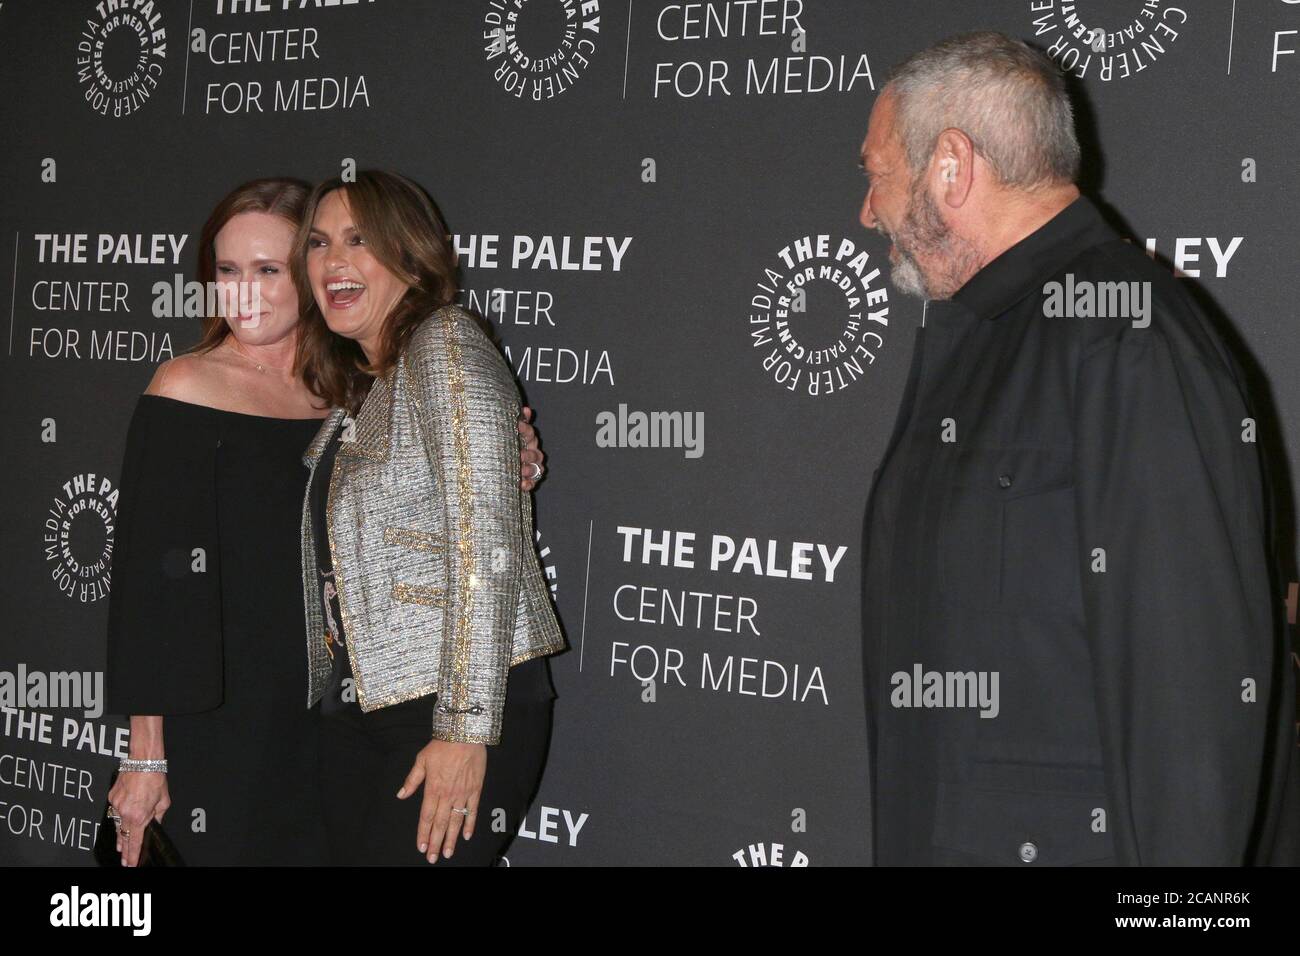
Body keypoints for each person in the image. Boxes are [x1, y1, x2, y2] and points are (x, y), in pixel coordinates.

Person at [856, 31, 1300, 865]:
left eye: (876, 174)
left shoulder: (1125, 338)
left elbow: (1191, 709)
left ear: (951, 167)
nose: (867, 211)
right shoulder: (995, 334)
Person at [104, 178, 548, 866]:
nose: (243, 292)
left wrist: (507, 451)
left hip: (340, 712)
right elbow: (150, 590)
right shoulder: (186, 386)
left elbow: (471, 516)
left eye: (268, 269)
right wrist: (147, 755)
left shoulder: (349, 388)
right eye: (226, 271)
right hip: (227, 711)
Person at [294, 170, 566, 866]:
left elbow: (488, 540)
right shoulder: (368, 384)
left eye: (360, 239)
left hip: (449, 704)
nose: (334, 261)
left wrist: (465, 727)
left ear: (410, 254)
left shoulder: (444, 342)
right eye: (320, 243)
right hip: (362, 712)